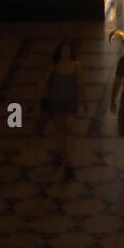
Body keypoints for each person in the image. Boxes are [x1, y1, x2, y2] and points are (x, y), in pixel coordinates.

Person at [40, 40, 85, 180]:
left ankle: (68, 160)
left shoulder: (76, 67)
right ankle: (61, 152)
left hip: (70, 102)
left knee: (69, 130)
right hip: (55, 101)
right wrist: (41, 97)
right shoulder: (53, 66)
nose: (65, 52)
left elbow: (80, 84)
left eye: (67, 49)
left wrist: (84, 100)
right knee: (59, 129)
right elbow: (43, 82)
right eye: (63, 49)